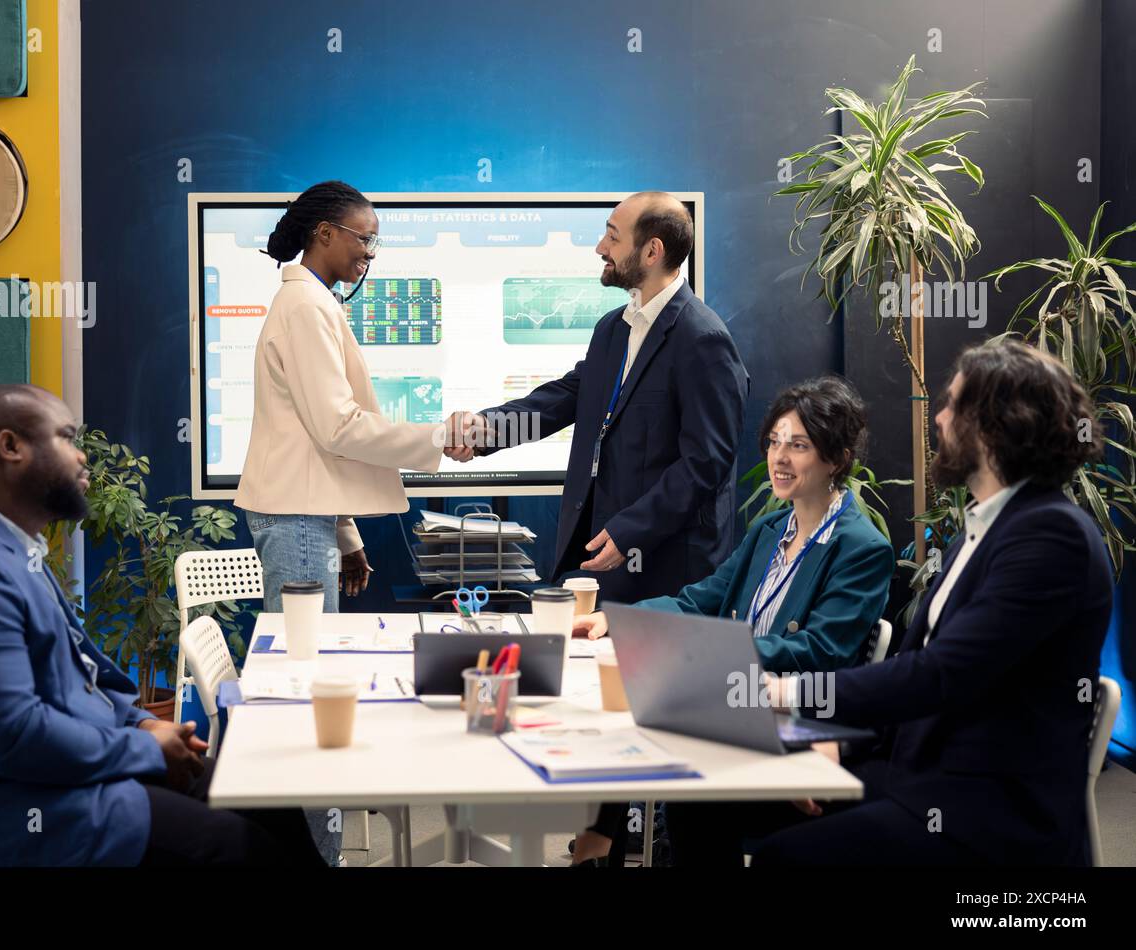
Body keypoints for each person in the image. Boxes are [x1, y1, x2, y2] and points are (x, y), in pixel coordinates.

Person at [0, 384, 325, 866]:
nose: (81, 459)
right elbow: (14, 739)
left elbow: (83, 681)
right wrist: (145, 748)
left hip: (74, 778)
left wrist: (146, 721)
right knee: (241, 847)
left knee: (268, 796)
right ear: (11, 447)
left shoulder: (8, 546)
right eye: (67, 439)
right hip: (24, 818)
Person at [749, 340, 1111, 866]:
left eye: (954, 406)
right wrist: (841, 747)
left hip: (987, 812)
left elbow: (940, 676)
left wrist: (790, 691)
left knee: (788, 856)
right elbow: (923, 680)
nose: (939, 418)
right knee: (718, 804)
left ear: (995, 429)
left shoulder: (1051, 537)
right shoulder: (986, 528)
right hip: (920, 774)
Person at [235, 180, 473, 864]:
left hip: (306, 518)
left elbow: (309, 437)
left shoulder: (309, 301)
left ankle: (312, 849)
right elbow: (336, 426)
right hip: (294, 520)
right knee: (310, 700)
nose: (372, 250)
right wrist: (436, 438)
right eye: (364, 236)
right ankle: (316, 856)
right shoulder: (305, 306)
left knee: (316, 692)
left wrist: (345, 533)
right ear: (324, 235)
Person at [569, 376, 894, 865]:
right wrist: (617, 621)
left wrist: (720, 655)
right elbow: (700, 600)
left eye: (799, 446)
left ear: (837, 458)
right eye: (774, 442)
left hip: (789, 717)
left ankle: (600, 845)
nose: (779, 458)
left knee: (675, 761)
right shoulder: (769, 529)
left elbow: (820, 652)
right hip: (731, 699)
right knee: (626, 721)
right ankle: (600, 844)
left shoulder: (861, 548)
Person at [464, 192, 749, 604]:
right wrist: (486, 429)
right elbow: (566, 398)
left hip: (662, 573)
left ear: (652, 251)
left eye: (613, 238)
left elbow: (705, 464)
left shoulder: (702, 338)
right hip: (597, 556)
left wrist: (631, 529)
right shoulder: (612, 328)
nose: (601, 248)